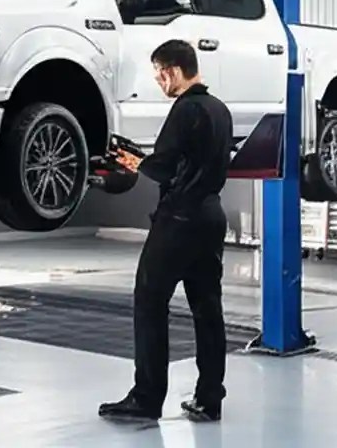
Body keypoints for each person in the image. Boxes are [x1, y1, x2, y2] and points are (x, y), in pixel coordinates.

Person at [98, 38, 232, 423]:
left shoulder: (184, 109)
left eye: (159, 73)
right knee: (208, 310)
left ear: (173, 70)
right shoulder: (220, 110)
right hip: (211, 217)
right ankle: (209, 399)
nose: (159, 81)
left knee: (149, 302)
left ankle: (147, 397)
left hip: (178, 220)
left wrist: (135, 161)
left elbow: (165, 168)